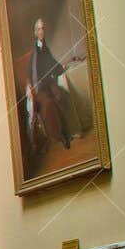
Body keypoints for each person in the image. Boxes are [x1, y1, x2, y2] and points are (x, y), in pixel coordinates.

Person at [25, 16, 72, 151]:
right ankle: (60, 136)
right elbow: (30, 72)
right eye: (39, 29)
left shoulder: (44, 47)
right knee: (49, 104)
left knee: (61, 96)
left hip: (49, 84)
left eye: (43, 28)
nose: (41, 31)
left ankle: (66, 133)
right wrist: (29, 86)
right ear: (35, 32)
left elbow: (52, 63)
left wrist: (61, 67)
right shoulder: (34, 52)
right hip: (39, 89)